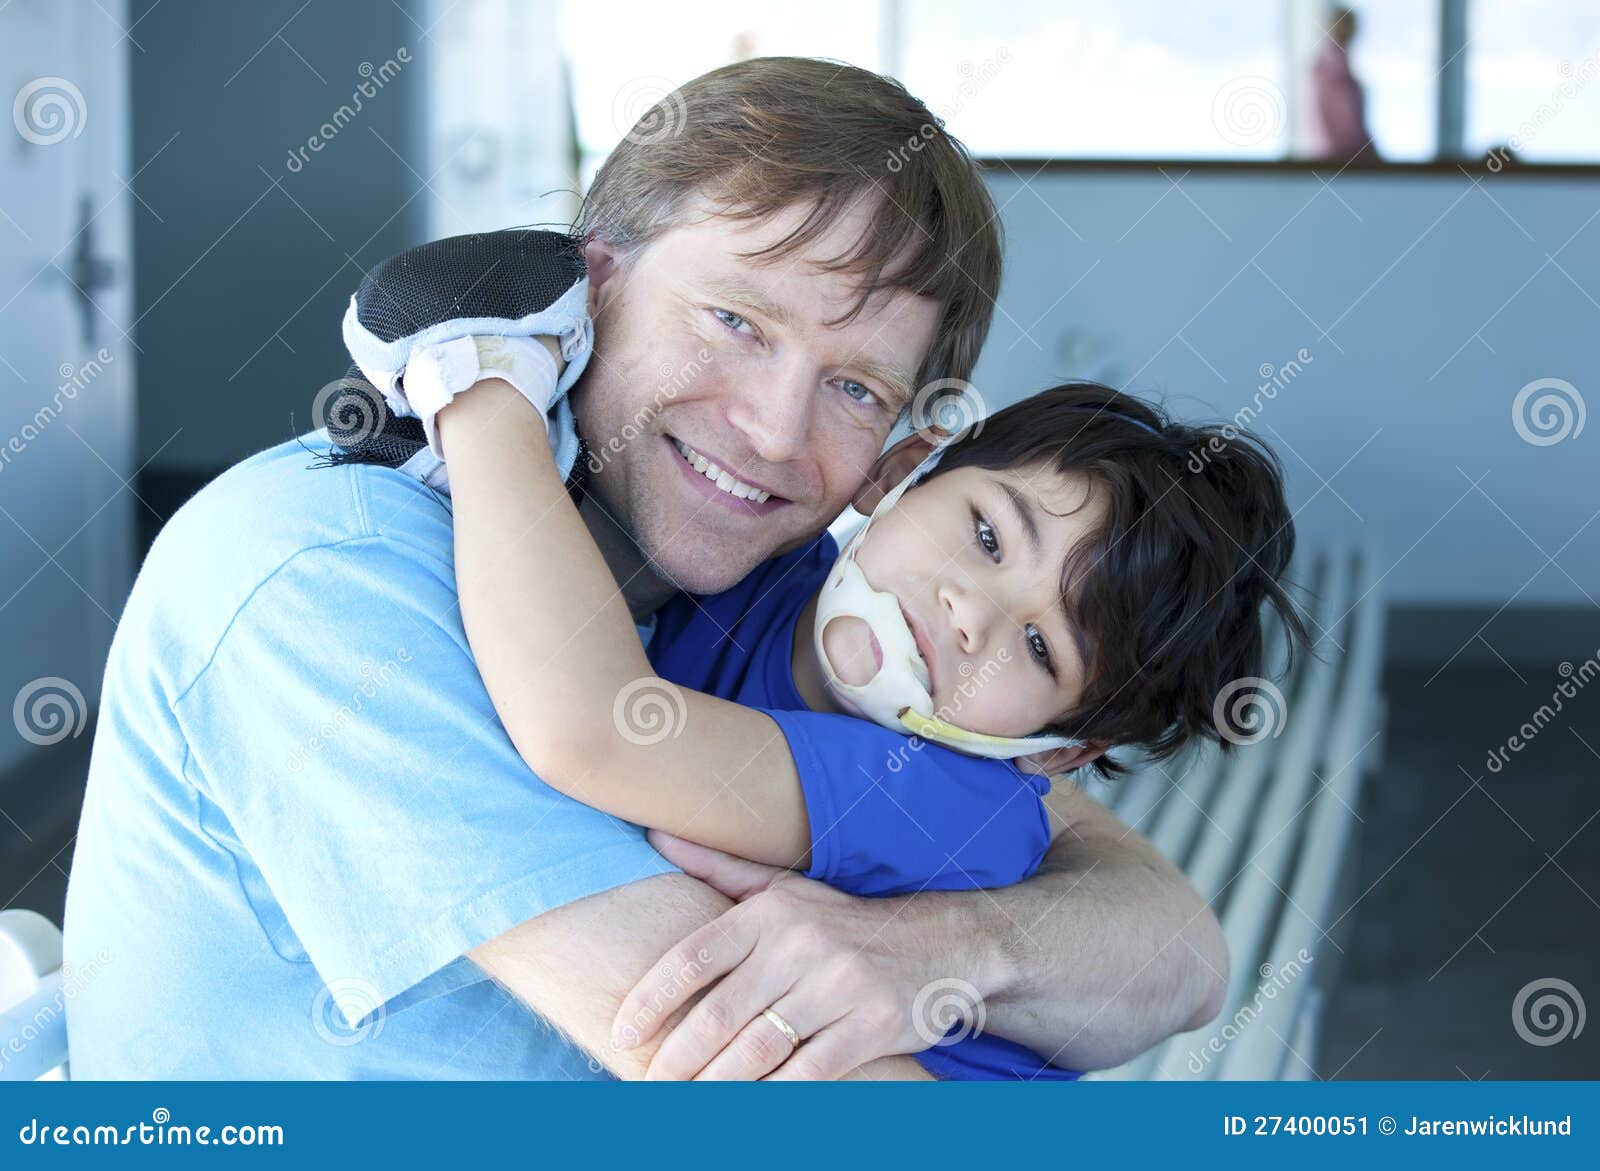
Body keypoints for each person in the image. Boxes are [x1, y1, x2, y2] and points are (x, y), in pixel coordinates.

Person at [63, 57, 1227, 1079]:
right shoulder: (326, 583)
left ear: (895, 455)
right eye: (735, 319)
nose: (774, 431)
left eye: (854, 386)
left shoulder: (789, 602)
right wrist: (482, 389)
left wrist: (963, 948)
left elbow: (1173, 943)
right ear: (584, 290)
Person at [1308, 6, 1376, 162]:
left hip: (1331, 159)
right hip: (1342, 161)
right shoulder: (1336, 72)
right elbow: (1349, 128)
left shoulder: (1321, 67)